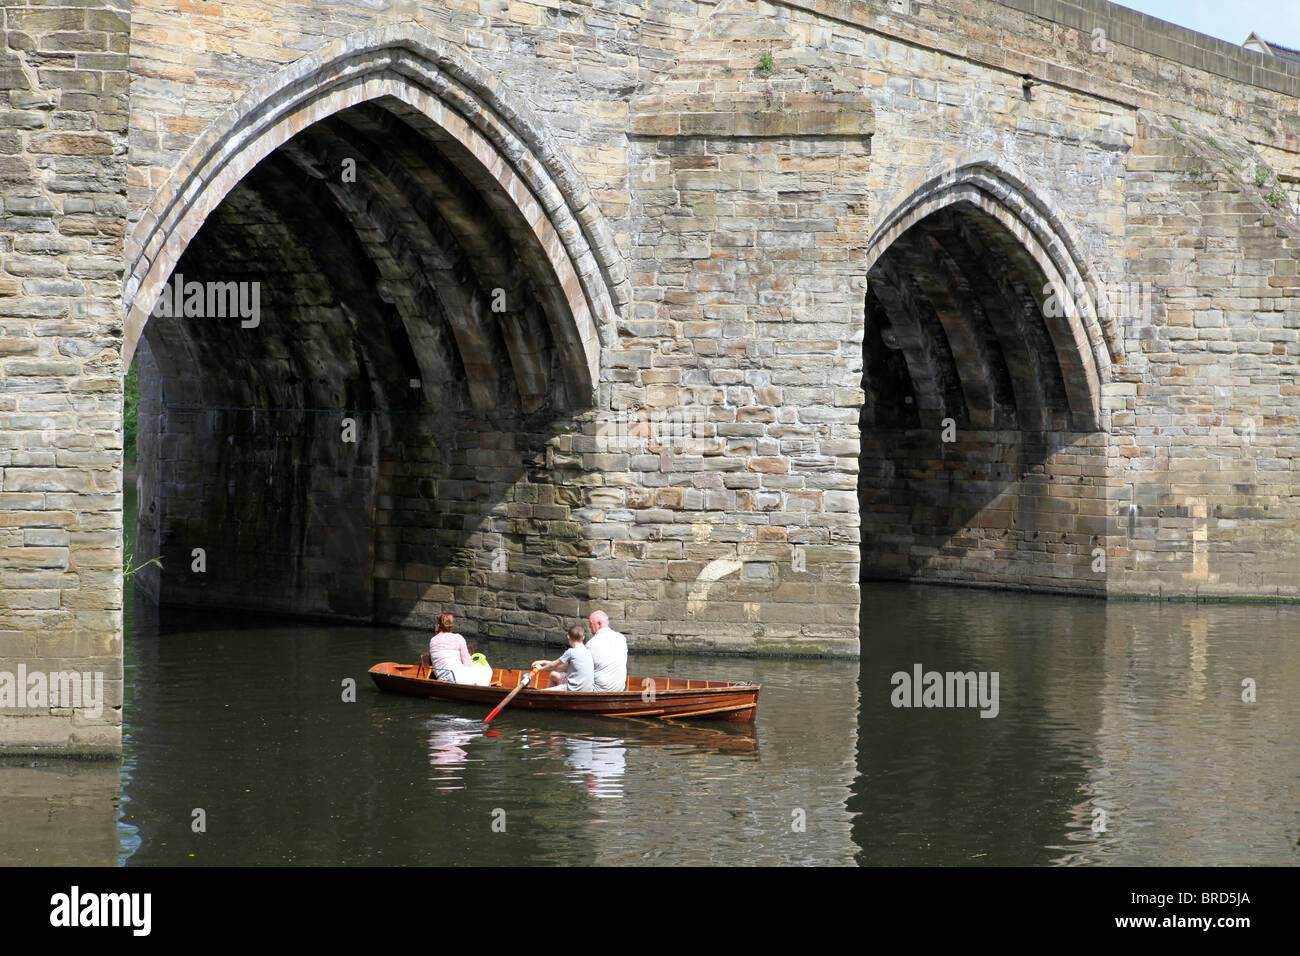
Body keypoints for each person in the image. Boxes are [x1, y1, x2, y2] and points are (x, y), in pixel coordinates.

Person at [428, 613, 492, 686]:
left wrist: (437, 633)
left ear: (438, 626)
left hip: (442, 676)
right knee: (487, 670)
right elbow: (467, 663)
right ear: (452, 625)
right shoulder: (458, 638)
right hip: (457, 677)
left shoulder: (433, 640)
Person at [532, 625, 595, 692]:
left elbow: (554, 665)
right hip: (588, 690)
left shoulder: (571, 652)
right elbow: (560, 667)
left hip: (573, 690)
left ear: (568, 637)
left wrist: (540, 669)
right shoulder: (587, 652)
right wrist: (544, 662)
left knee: (542, 692)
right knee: (553, 675)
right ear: (583, 638)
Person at [585, 610, 628, 692]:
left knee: (560, 677)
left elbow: (580, 668)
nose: (589, 626)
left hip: (598, 691)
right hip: (620, 690)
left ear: (599, 624)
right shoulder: (621, 638)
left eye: (590, 623)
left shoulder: (591, 644)